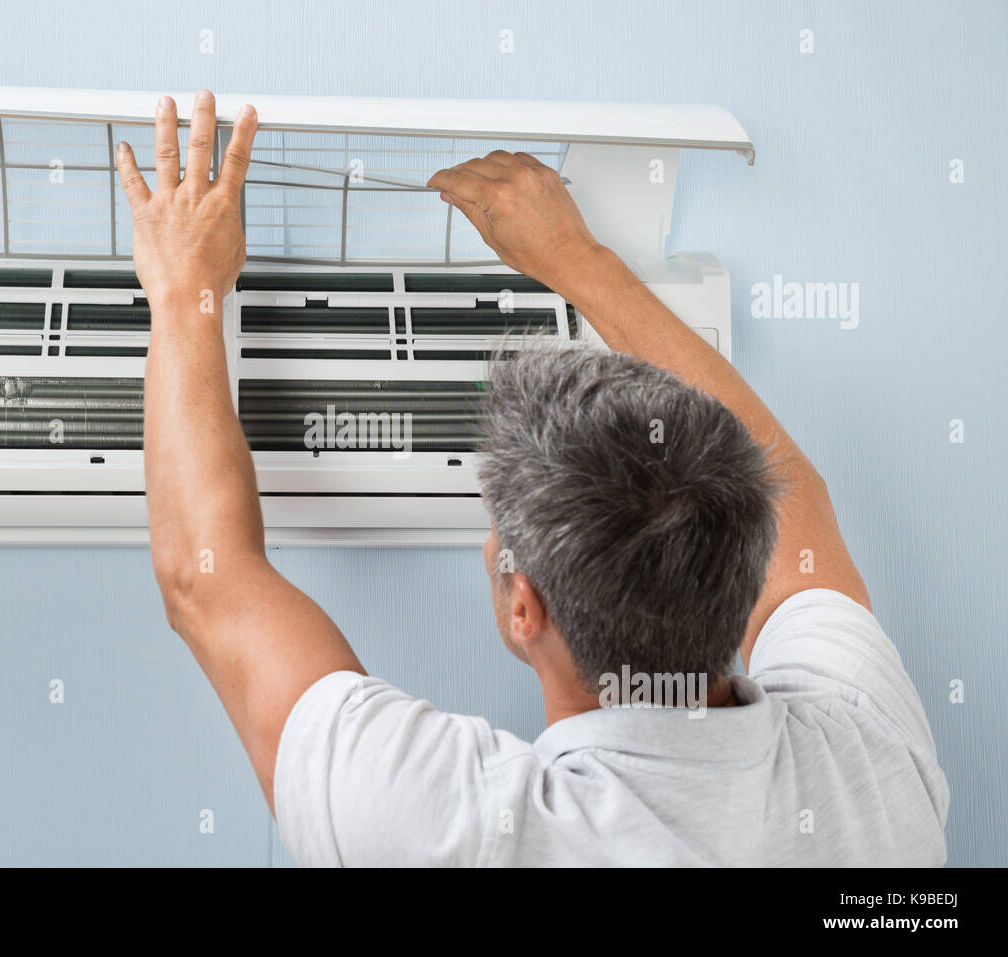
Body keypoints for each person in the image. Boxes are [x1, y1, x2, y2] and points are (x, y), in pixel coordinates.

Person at [114, 91, 948, 866]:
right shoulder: (874, 766)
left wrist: (186, 287)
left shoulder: (457, 828)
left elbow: (206, 577)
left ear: (524, 607)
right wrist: (580, 260)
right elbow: (790, 496)